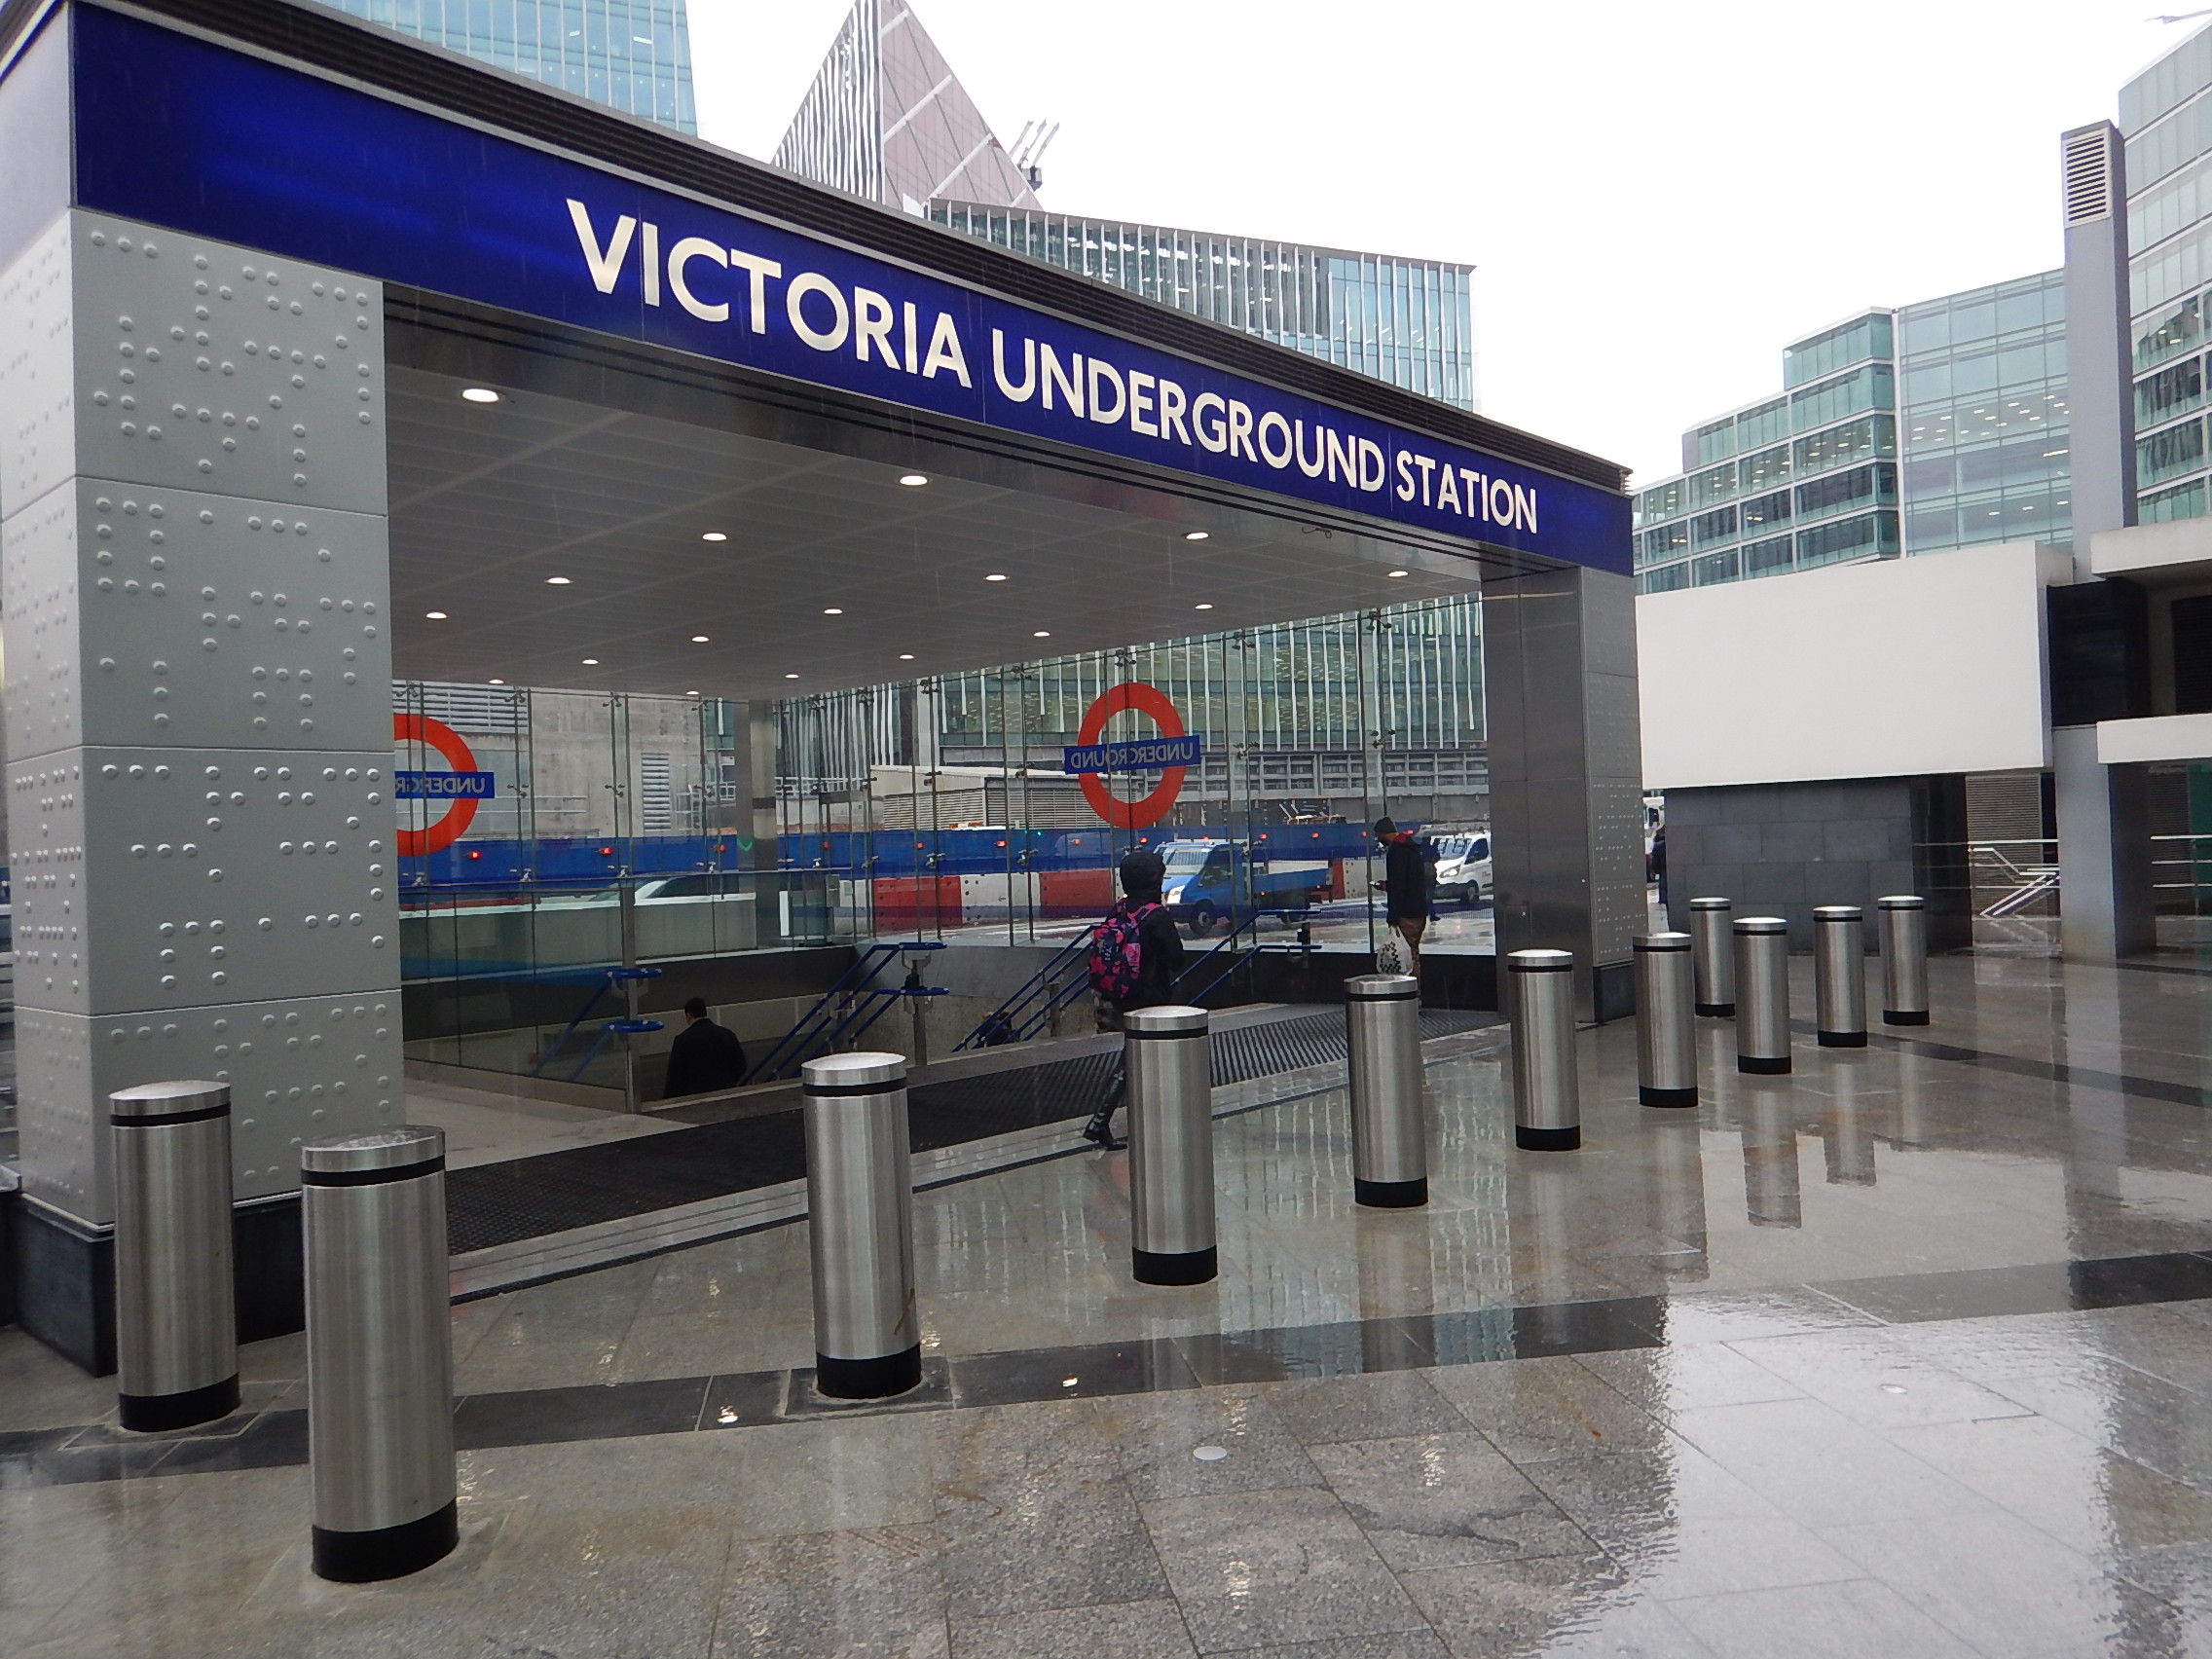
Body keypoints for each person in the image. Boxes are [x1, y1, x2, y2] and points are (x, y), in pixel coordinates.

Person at [1080, 849, 1188, 1150]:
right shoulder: (1156, 915)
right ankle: (1100, 1122)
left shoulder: (1119, 910)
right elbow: (1176, 959)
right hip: (1152, 998)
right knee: (1137, 1059)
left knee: (1135, 1056)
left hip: (1122, 994)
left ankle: (1118, 1120)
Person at [1374, 816, 1431, 976]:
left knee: (1405, 958)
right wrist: (1388, 885)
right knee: (1412, 953)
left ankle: (1410, 994)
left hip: (1406, 913)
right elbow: (1409, 880)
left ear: (1384, 833)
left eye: (1378, 835)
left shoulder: (1397, 851)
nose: (1378, 839)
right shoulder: (1412, 848)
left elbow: (1398, 886)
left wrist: (1393, 916)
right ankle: (1415, 995)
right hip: (1419, 911)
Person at [661, 996, 748, 1098]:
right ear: (704, 1012)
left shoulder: (682, 1040)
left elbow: (675, 1077)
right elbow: (741, 1065)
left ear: (688, 1016)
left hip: (696, 1097)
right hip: (726, 1093)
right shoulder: (727, 1034)